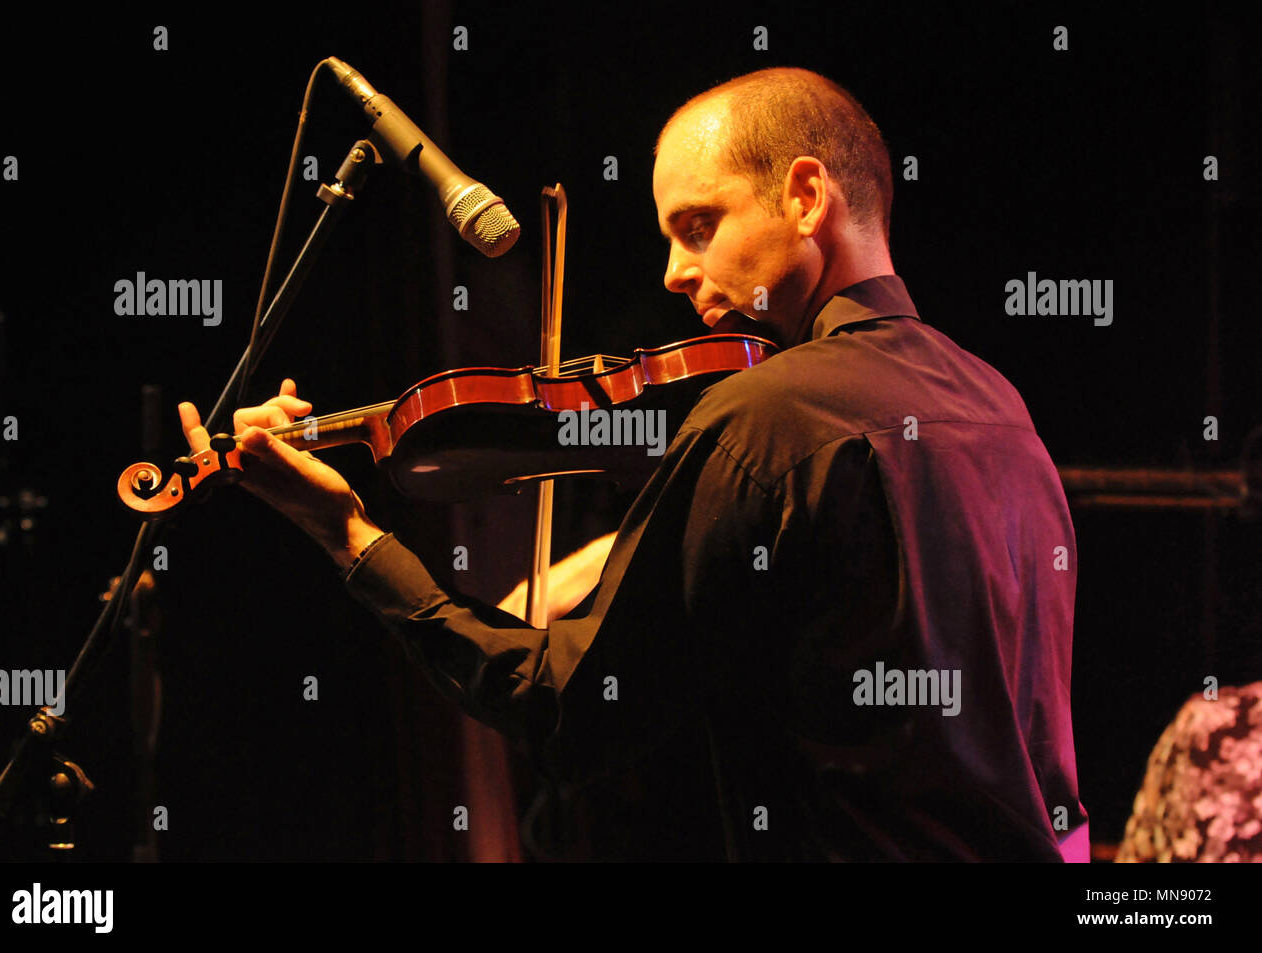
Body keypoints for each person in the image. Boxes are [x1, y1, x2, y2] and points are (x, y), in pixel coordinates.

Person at [179, 67, 1088, 861]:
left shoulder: (765, 413)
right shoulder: (1001, 406)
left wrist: (348, 538)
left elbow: (566, 710)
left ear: (807, 197)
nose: (672, 272)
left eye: (699, 225)